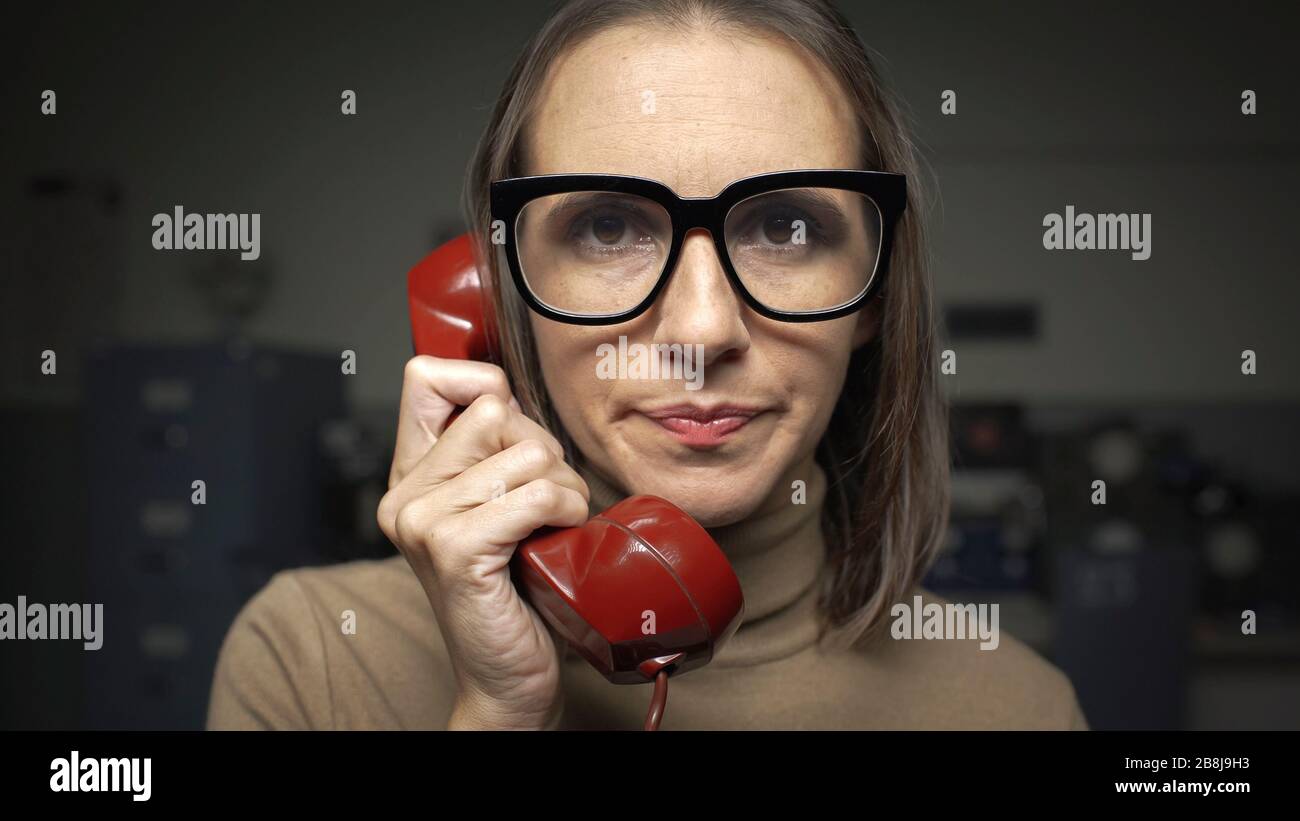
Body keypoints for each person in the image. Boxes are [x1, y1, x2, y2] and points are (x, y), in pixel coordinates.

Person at [207, 0, 1087, 730]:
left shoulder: (1017, 709)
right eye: (608, 227)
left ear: (874, 295)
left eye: (786, 226)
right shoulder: (314, 661)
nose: (702, 330)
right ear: (501, 298)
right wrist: (500, 712)